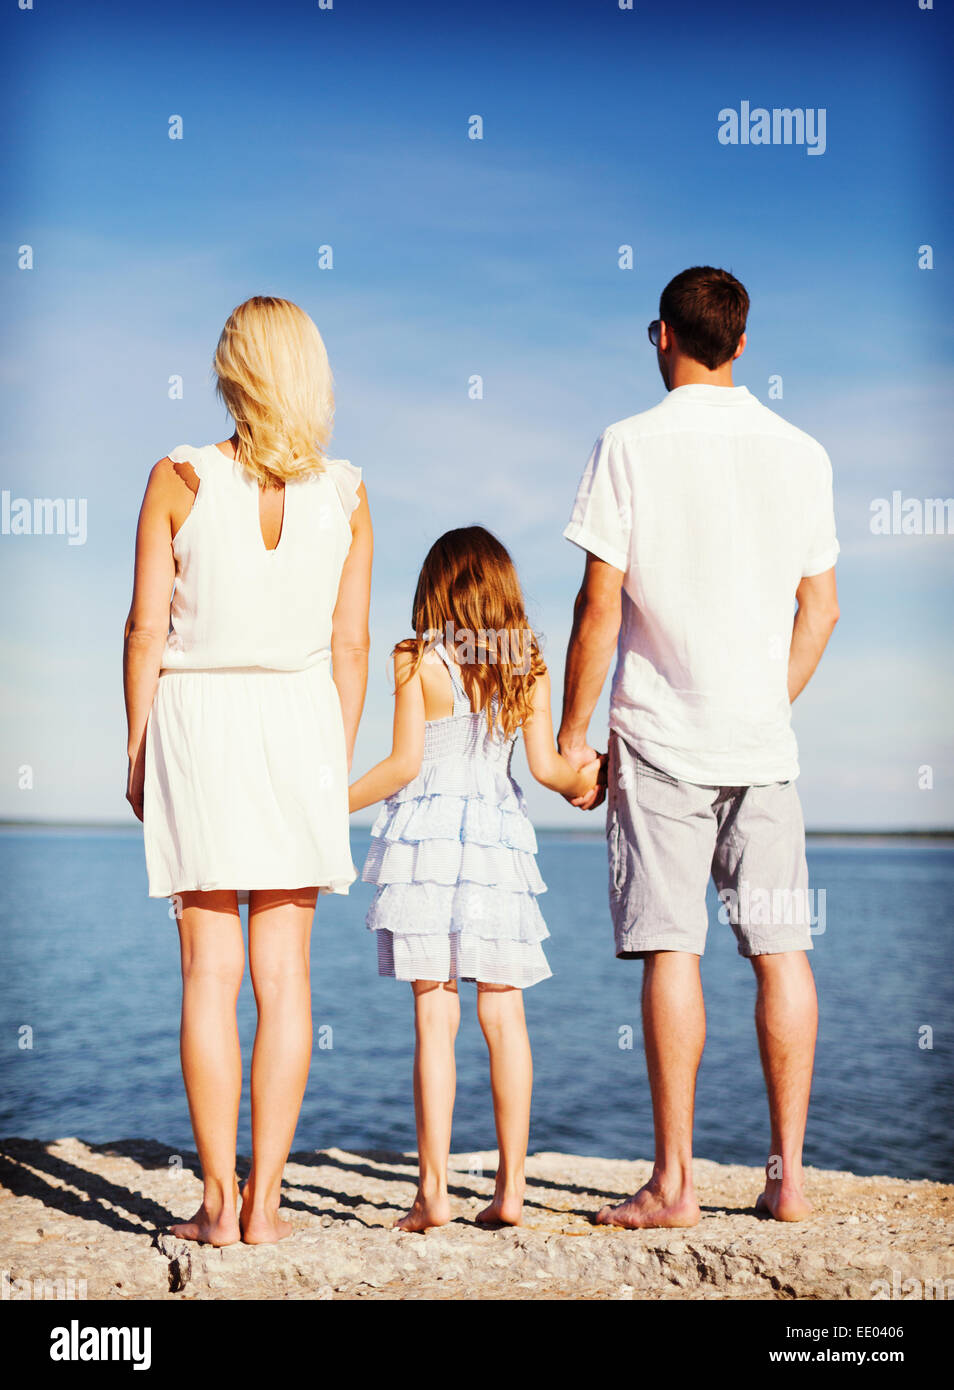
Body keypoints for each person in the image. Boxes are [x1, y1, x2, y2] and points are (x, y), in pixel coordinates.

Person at [559, 266, 840, 1228]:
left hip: (659, 739)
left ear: (662, 336)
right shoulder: (803, 452)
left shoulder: (628, 445)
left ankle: (675, 1184)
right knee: (783, 952)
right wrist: (768, 697)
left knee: (671, 948)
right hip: (763, 743)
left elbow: (600, 605)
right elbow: (822, 608)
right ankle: (789, 1180)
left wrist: (569, 737)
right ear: (744, 344)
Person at [123, 296, 373, 1245]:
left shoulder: (179, 477)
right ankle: (269, 1204)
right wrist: (330, 753)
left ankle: (218, 1204)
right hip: (301, 725)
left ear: (234, 371)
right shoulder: (348, 493)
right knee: (287, 976)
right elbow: (350, 648)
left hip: (198, 722)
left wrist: (137, 746)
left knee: (207, 974)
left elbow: (147, 630)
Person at [349, 527, 599, 1231]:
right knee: (504, 1012)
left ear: (437, 585)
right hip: (497, 844)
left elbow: (402, 767)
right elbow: (549, 771)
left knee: (435, 1014)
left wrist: (327, 801)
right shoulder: (528, 663)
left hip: (428, 847)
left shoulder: (414, 659)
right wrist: (593, 778)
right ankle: (510, 1191)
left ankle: (433, 1195)